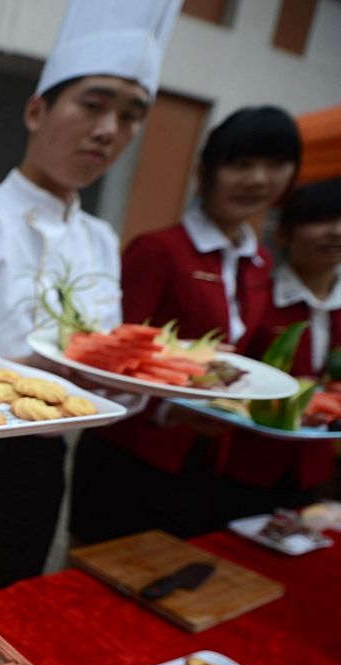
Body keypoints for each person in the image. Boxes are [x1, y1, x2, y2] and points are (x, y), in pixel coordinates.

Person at [0, 0, 181, 596]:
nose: (110, 131)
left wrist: (134, 378)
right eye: (94, 105)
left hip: (44, 465)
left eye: (132, 115)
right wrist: (19, 377)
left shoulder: (101, 239)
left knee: (18, 602)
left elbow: (103, 360)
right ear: (36, 109)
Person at [70, 106, 301, 542]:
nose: (257, 179)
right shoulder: (160, 250)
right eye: (241, 164)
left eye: (274, 165)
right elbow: (110, 353)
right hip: (131, 453)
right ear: (205, 172)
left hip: (207, 456)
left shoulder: (261, 263)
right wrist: (168, 409)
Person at [216, 177, 341, 515]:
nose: (337, 231)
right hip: (241, 464)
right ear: (284, 233)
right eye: (321, 220)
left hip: (313, 468)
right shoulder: (256, 294)